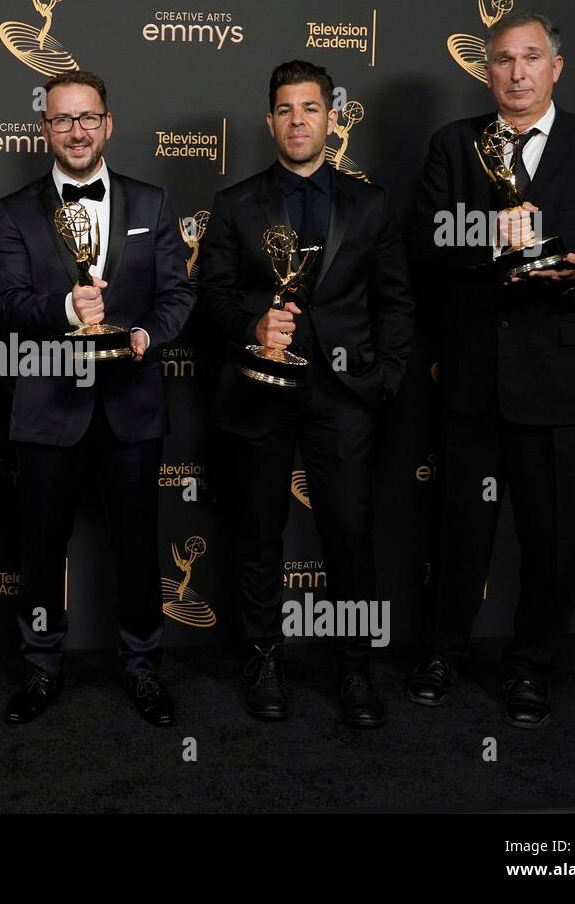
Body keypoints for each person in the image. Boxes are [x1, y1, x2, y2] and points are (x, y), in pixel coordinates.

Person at [406, 10, 575, 727]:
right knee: (459, 529)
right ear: (485, 71)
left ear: (556, 67)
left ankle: (532, 667)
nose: (516, 73)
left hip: (559, 376)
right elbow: (422, 243)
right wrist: (488, 235)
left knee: (552, 535)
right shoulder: (454, 145)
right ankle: (441, 651)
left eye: (530, 58)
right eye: (501, 60)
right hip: (473, 375)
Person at [197, 59, 413, 728]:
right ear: (270, 121)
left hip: (344, 394)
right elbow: (213, 297)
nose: (298, 120)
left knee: (348, 532)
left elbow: (396, 303)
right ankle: (263, 660)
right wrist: (253, 327)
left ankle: (354, 669)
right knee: (259, 532)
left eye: (311, 107)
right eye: (286, 109)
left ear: (332, 117)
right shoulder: (235, 204)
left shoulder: (369, 202)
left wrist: (382, 379)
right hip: (259, 388)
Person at [0, 70, 195, 726]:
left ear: (109, 124)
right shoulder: (15, 211)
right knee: (41, 550)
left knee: (138, 547)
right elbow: (5, 304)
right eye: (61, 119)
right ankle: (42, 668)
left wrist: (142, 333)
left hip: (131, 403)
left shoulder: (153, 203)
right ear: (43, 128)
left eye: (88, 118)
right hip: (48, 406)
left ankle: (141, 669)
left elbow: (177, 297)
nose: (76, 130)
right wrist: (62, 308)